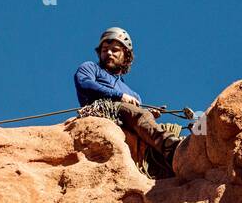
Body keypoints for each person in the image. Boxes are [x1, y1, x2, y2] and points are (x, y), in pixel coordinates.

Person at [74, 27, 184, 178]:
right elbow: (85, 84)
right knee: (133, 111)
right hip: (102, 111)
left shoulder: (133, 94)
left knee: (154, 122)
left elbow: (135, 113)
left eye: (115, 50)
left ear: (126, 54)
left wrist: (149, 114)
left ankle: (170, 162)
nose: (109, 53)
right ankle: (169, 147)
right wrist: (119, 96)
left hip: (127, 118)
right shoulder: (90, 68)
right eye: (105, 49)